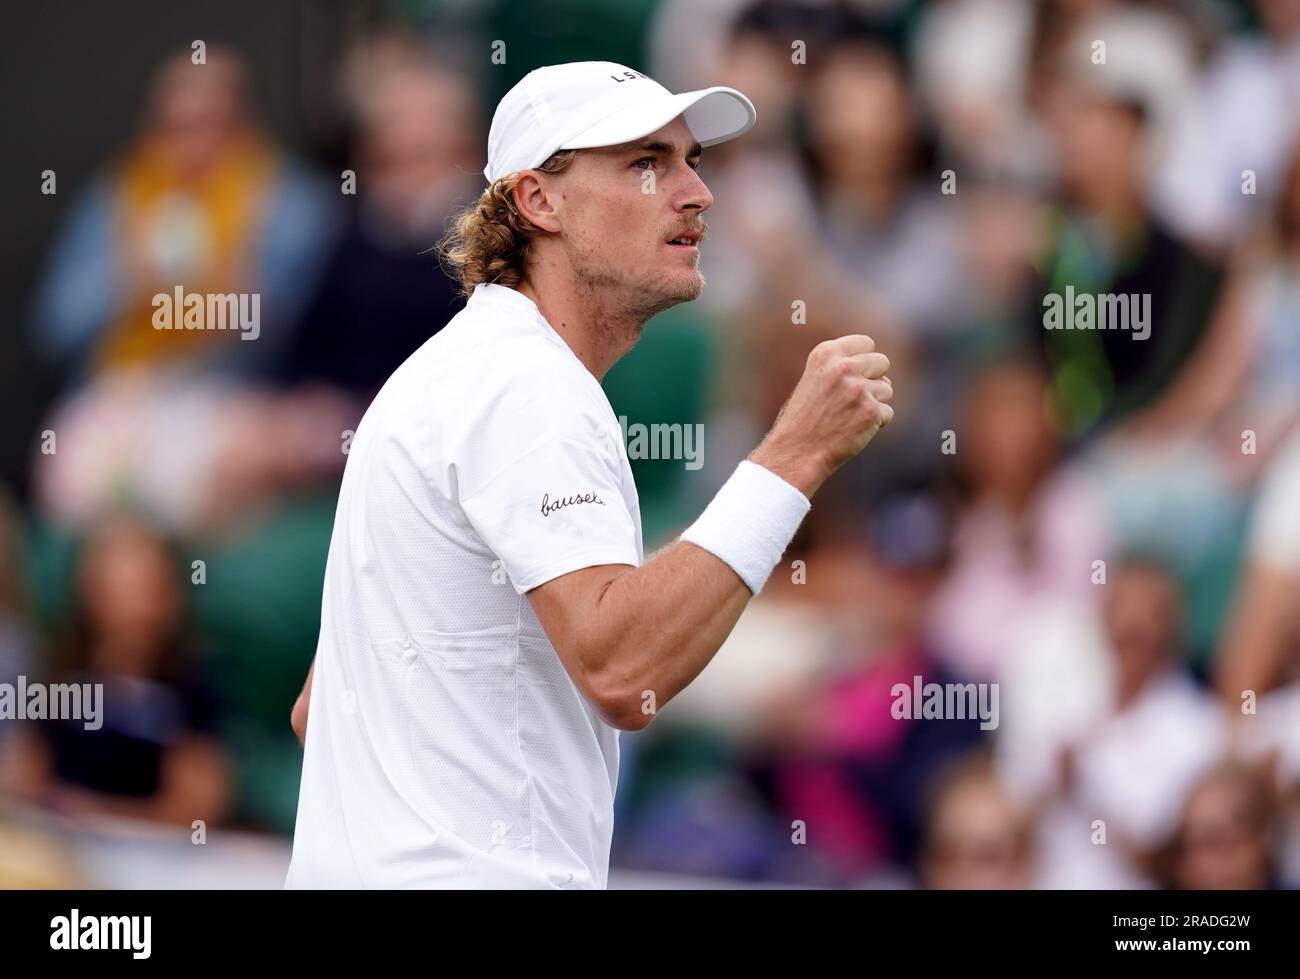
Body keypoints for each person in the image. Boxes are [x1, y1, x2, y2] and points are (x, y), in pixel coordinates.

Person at [284, 61, 895, 888]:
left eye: (691, 161)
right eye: (646, 163)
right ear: (539, 201)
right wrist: (796, 454)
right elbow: (623, 667)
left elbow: (319, 708)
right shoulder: (526, 385)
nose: (695, 193)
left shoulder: (461, 373)